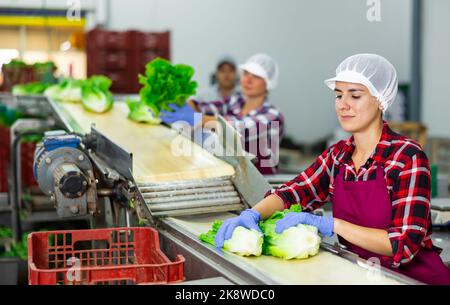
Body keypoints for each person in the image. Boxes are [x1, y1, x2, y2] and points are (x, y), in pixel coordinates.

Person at [213, 53, 450, 285]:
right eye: (338, 96)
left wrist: (331, 225)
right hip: (359, 272)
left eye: (355, 96)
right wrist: (253, 214)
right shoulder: (339, 156)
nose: (343, 105)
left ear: (381, 100)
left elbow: (403, 243)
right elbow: (293, 192)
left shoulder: (406, 157)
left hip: (411, 278)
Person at [160, 53, 285, 174]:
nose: (248, 80)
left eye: (256, 76)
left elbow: (237, 129)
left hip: (263, 183)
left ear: (269, 83)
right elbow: (203, 107)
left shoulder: (273, 115)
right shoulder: (236, 101)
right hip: (236, 175)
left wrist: (197, 119)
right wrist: (176, 103)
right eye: (246, 73)